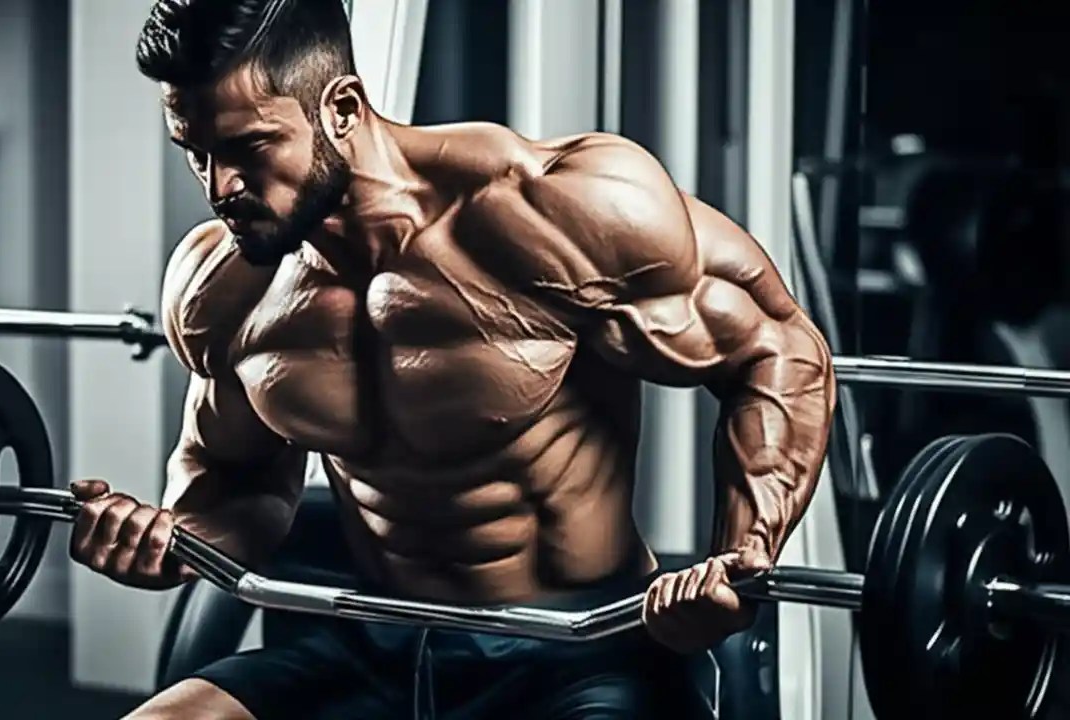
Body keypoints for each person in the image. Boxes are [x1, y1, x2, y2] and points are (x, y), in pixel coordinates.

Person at [68, 1, 836, 717]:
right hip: (373, 635)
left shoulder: (545, 209)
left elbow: (778, 348)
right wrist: (170, 540)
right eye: (194, 151)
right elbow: (233, 486)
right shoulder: (223, 284)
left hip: (578, 647)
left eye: (247, 148)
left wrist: (740, 558)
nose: (218, 186)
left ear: (340, 109)